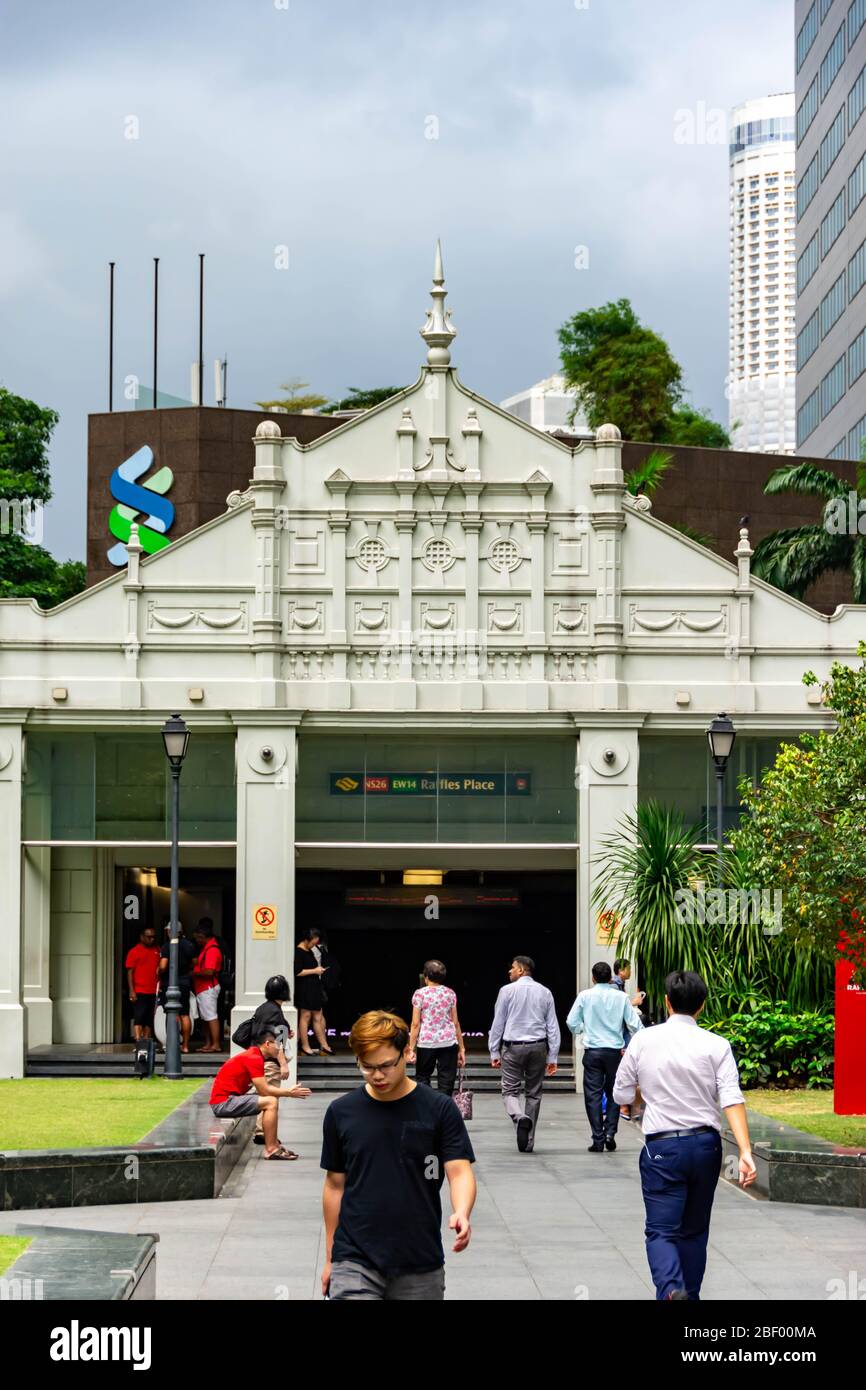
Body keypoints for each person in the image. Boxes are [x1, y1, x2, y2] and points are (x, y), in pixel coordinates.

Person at [613, 969, 757, 1301]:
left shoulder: (643, 1041)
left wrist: (644, 1094)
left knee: (661, 1230)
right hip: (706, 1145)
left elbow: (621, 1095)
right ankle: (689, 1295)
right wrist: (746, 1151)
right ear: (702, 1006)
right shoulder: (716, 1045)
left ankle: (670, 1288)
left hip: (662, 1147)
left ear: (666, 1002)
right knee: (694, 1231)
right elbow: (732, 1098)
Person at [320, 1009, 476, 1301]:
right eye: (366, 1067)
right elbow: (334, 1185)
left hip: (420, 1259)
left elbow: (459, 1171)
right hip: (354, 1259)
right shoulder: (341, 1112)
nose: (377, 1075)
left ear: (407, 1052)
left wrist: (462, 1212)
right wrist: (331, 1258)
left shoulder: (439, 1109)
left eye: (386, 1065)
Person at [567, 961, 643, 1153]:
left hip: (593, 1051)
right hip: (614, 1052)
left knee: (592, 1095)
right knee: (613, 1093)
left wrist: (583, 1030)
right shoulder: (621, 997)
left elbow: (571, 1021)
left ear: (593, 978)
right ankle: (610, 1132)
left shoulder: (585, 996)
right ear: (610, 978)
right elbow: (634, 1024)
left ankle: (598, 1138)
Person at [488, 955, 560, 1153]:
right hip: (538, 1047)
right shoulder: (545, 992)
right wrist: (553, 1056)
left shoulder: (506, 991)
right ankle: (528, 1142)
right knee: (534, 1093)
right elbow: (552, 1026)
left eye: (512, 968)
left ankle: (519, 1117)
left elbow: (498, 1022)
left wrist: (494, 1050)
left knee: (510, 1090)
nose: (509, 971)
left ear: (521, 970)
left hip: (513, 1047)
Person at [210, 1028, 311, 1160]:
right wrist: (289, 1092)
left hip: (229, 1100)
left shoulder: (255, 1056)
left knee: (270, 1100)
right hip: (223, 1103)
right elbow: (264, 1091)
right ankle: (271, 1149)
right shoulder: (254, 1058)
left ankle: (274, 1145)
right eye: (278, 1046)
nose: (280, 1050)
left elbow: (262, 1089)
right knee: (271, 1101)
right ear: (268, 1044)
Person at [249, 976, 298, 1154]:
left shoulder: (263, 1009)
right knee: (270, 1098)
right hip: (270, 1062)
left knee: (265, 1095)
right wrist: (283, 1064)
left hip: (260, 1058)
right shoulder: (276, 1012)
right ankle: (263, 1132)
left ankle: (262, 1131)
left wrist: (286, 1032)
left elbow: (276, 1033)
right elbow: (276, 1039)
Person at [406, 959, 465, 1097]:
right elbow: (455, 1022)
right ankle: (443, 1110)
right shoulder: (450, 993)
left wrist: (411, 1048)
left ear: (426, 977)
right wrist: (461, 1048)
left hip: (426, 1043)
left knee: (422, 1078)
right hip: (448, 1042)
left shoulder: (420, 994)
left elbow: (415, 1024)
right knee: (446, 1081)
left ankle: (428, 1107)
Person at [158, 918, 197, 1053]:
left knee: (171, 1013)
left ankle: (172, 1045)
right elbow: (194, 962)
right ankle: (185, 1046)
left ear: (170, 931)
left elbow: (163, 966)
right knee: (185, 1014)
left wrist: (158, 971)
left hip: (170, 983)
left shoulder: (167, 946)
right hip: (185, 982)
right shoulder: (189, 945)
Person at [294, 928, 334, 1056]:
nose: (314, 945)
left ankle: (324, 1045)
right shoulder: (299, 952)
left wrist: (318, 971)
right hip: (305, 987)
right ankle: (305, 1046)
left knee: (318, 1016)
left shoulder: (309, 950)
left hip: (314, 987)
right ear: (307, 940)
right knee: (305, 1016)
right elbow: (297, 972)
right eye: (313, 942)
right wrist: (315, 971)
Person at [192, 919, 223, 1052]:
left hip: (207, 988)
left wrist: (193, 973)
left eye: (197, 938)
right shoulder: (207, 948)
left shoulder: (212, 950)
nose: (196, 941)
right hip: (202, 988)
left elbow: (209, 971)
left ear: (202, 937)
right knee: (206, 1017)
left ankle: (215, 1044)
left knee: (211, 1016)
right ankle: (208, 1044)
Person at [125, 926, 161, 1042]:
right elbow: (129, 972)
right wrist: (132, 990)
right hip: (140, 990)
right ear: (142, 937)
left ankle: (146, 1040)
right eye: (149, 937)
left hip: (154, 990)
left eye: (153, 937)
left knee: (150, 1017)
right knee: (139, 1016)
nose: (152, 939)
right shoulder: (134, 951)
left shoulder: (157, 950)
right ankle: (138, 1040)